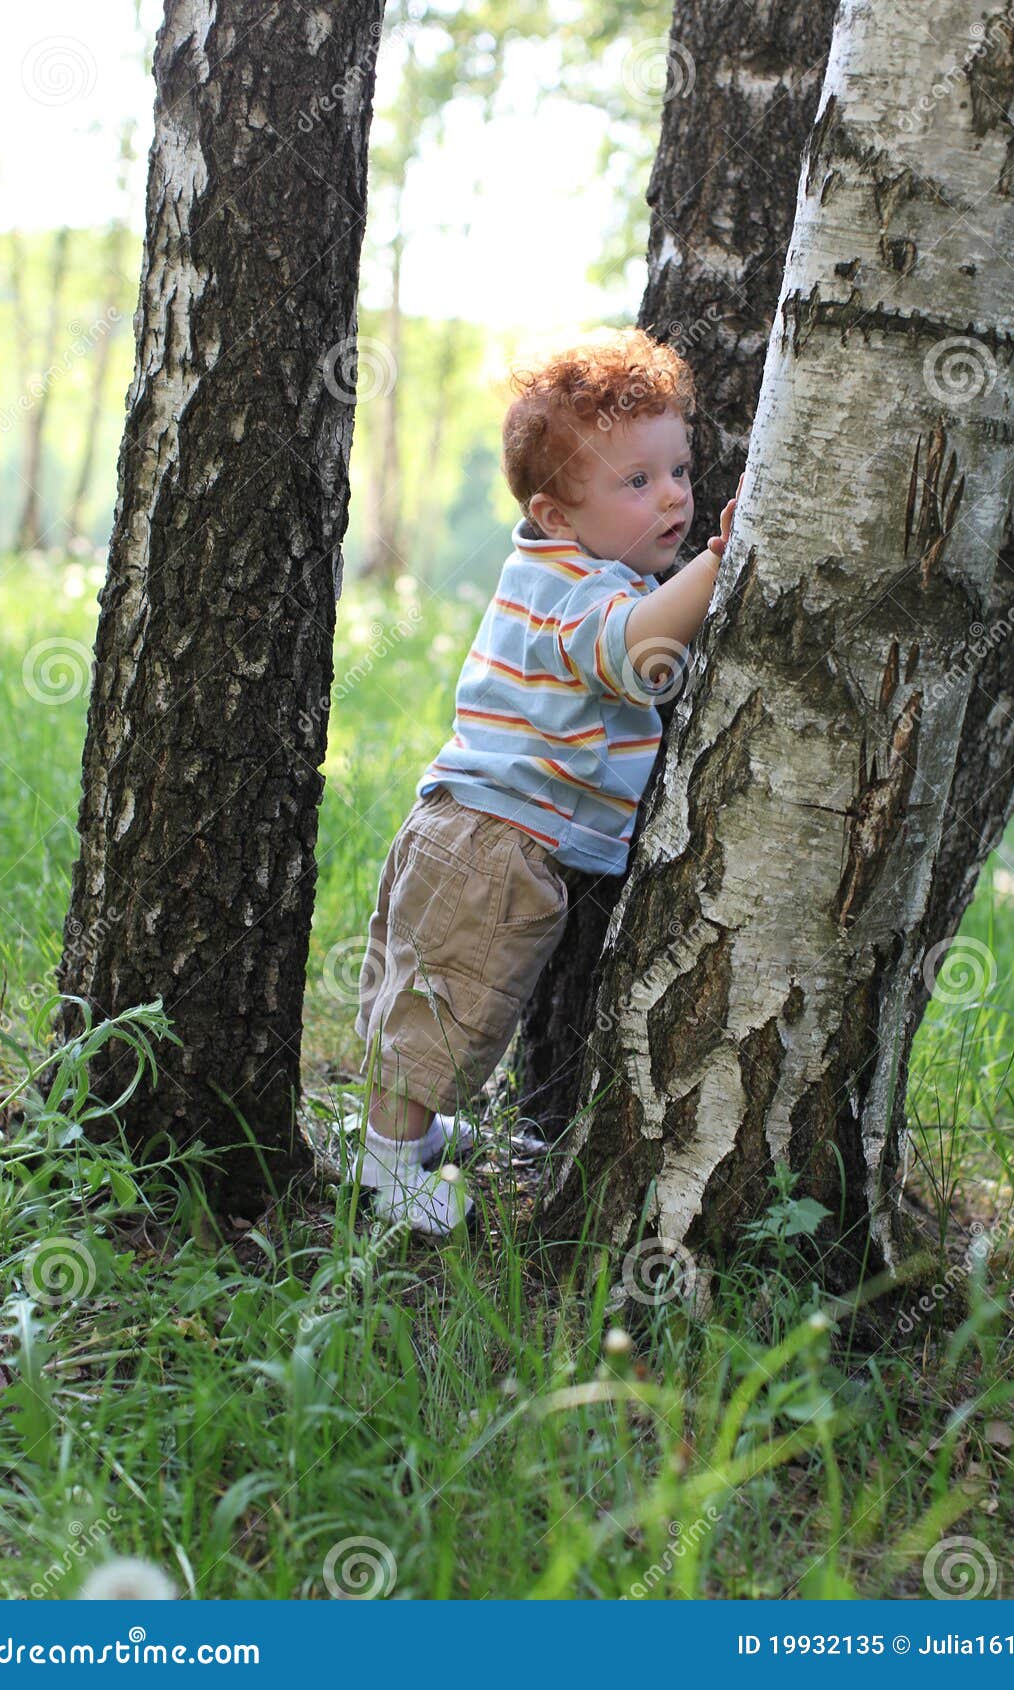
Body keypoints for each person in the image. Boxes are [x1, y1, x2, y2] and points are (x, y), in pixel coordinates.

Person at [346, 326, 741, 1236]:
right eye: (635, 483)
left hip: (475, 828)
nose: (673, 497)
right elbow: (635, 650)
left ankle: (399, 1131)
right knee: (451, 1004)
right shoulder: (573, 586)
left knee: (429, 986)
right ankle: (384, 1166)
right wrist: (720, 565)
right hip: (498, 839)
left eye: (677, 470)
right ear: (558, 513)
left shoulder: (574, 567)